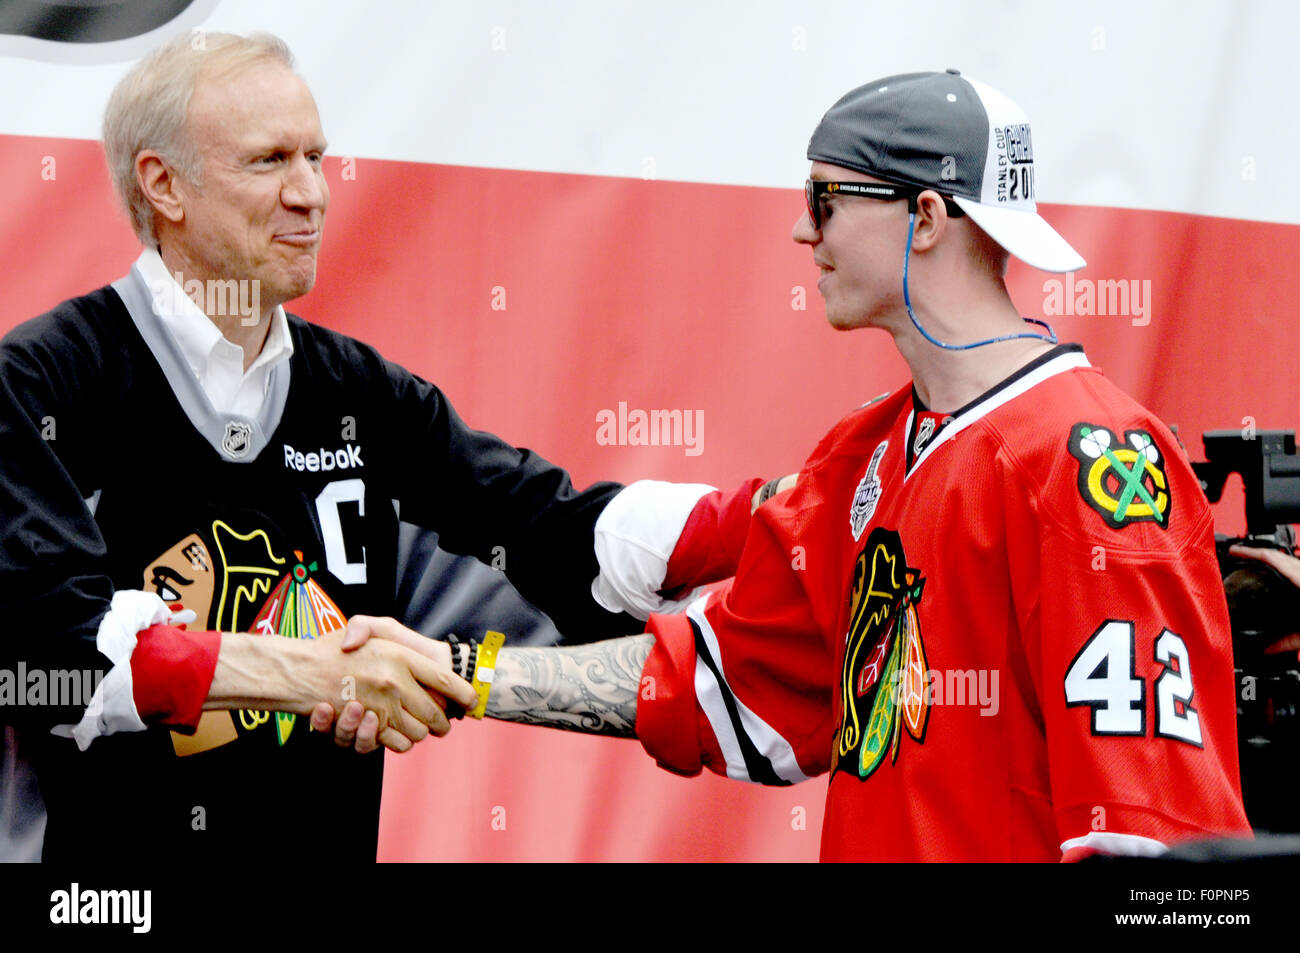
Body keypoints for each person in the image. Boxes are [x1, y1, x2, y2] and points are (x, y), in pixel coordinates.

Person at [347, 70, 1252, 861]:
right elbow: (712, 684)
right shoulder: (862, 458)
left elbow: (1153, 834)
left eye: (824, 198)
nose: (797, 229)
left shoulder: (1091, 460)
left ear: (925, 218)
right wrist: (453, 665)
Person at [0, 32, 714, 861]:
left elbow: (553, 534)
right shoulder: (41, 383)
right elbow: (48, 654)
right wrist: (313, 674)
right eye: (269, 161)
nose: (311, 193)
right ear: (164, 185)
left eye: (317, 157)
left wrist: (763, 522)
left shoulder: (363, 395)